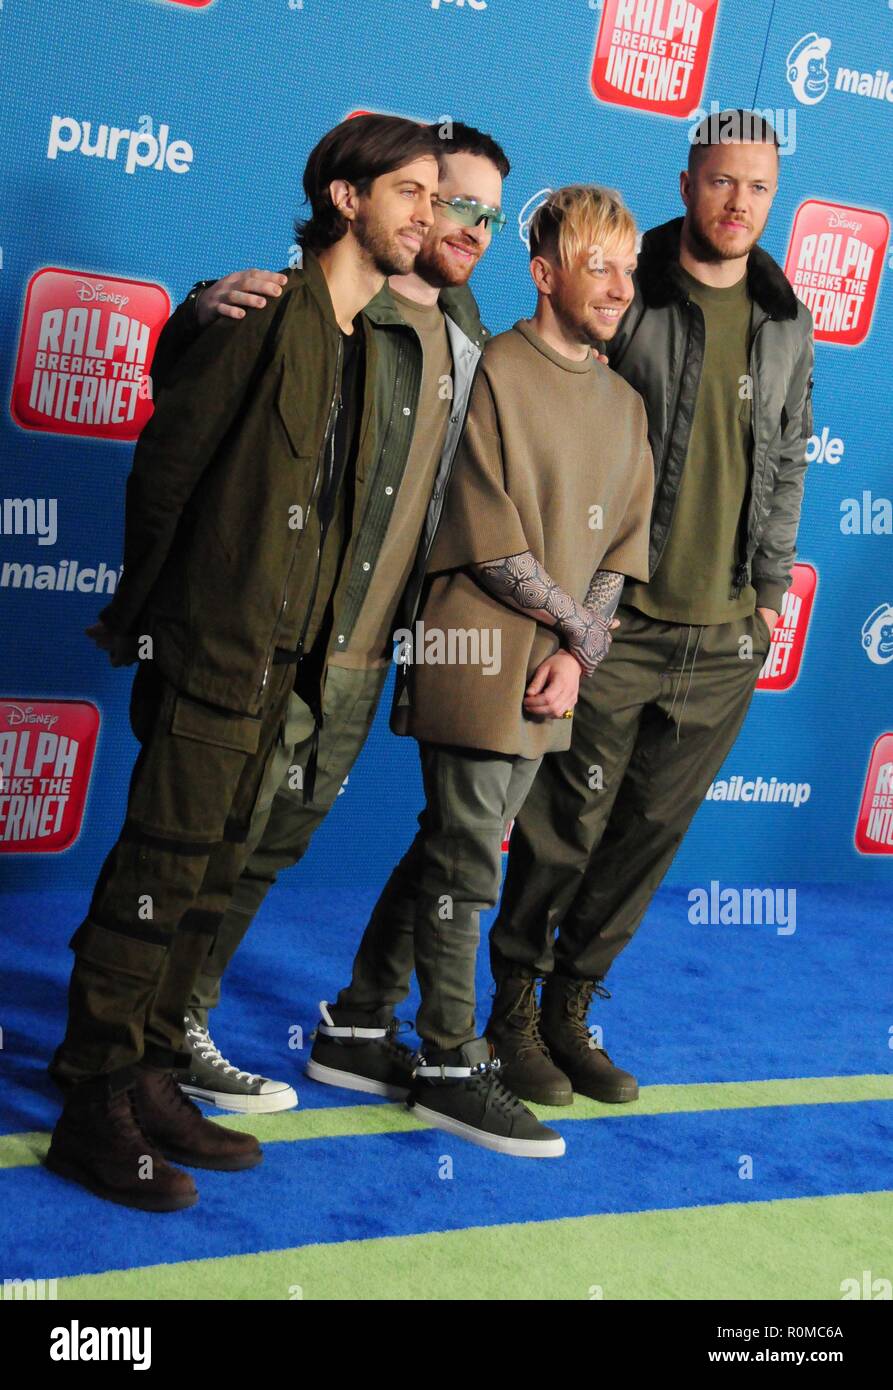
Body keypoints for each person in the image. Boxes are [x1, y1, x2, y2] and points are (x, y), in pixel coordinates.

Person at [46, 114, 443, 1210]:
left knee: (212, 881)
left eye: (436, 194)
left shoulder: (370, 343)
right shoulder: (261, 314)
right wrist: (142, 612)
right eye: (407, 191)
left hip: (290, 672)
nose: (429, 212)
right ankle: (89, 1097)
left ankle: (148, 1069)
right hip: (215, 654)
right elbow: (166, 465)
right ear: (345, 198)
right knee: (156, 876)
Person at [147, 124, 511, 1113]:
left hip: (365, 650)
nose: (459, 222)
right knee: (211, 835)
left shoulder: (469, 328)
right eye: (443, 199)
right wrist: (193, 307)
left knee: (270, 844)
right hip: (279, 638)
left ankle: (178, 1015)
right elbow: (212, 371)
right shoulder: (335, 305)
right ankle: (154, 1032)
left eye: (481, 211)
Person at [311, 185, 654, 1157]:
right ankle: (453, 1062)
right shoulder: (490, 370)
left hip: (553, 670)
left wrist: (578, 654)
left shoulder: (624, 403)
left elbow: (622, 553)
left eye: (627, 270)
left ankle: (355, 1018)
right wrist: (564, 634)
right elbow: (482, 529)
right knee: (467, 855)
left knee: (447, 843)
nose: (618, 288)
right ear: (543, 273)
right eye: (598, 266)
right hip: (474, 643)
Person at [485, 111, 816, 1108]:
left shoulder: (785, 319)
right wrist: (578, 610)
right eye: (721, 183)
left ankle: (568, 1008)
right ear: (685, 184)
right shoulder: (628, 290)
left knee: (642, 840)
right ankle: (507, 1010)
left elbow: (790, 455)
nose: (738, 204)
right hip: (613, 628)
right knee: (559, 831)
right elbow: (560, 422)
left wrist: (763, 600)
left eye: (757, 187)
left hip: (722, 638)